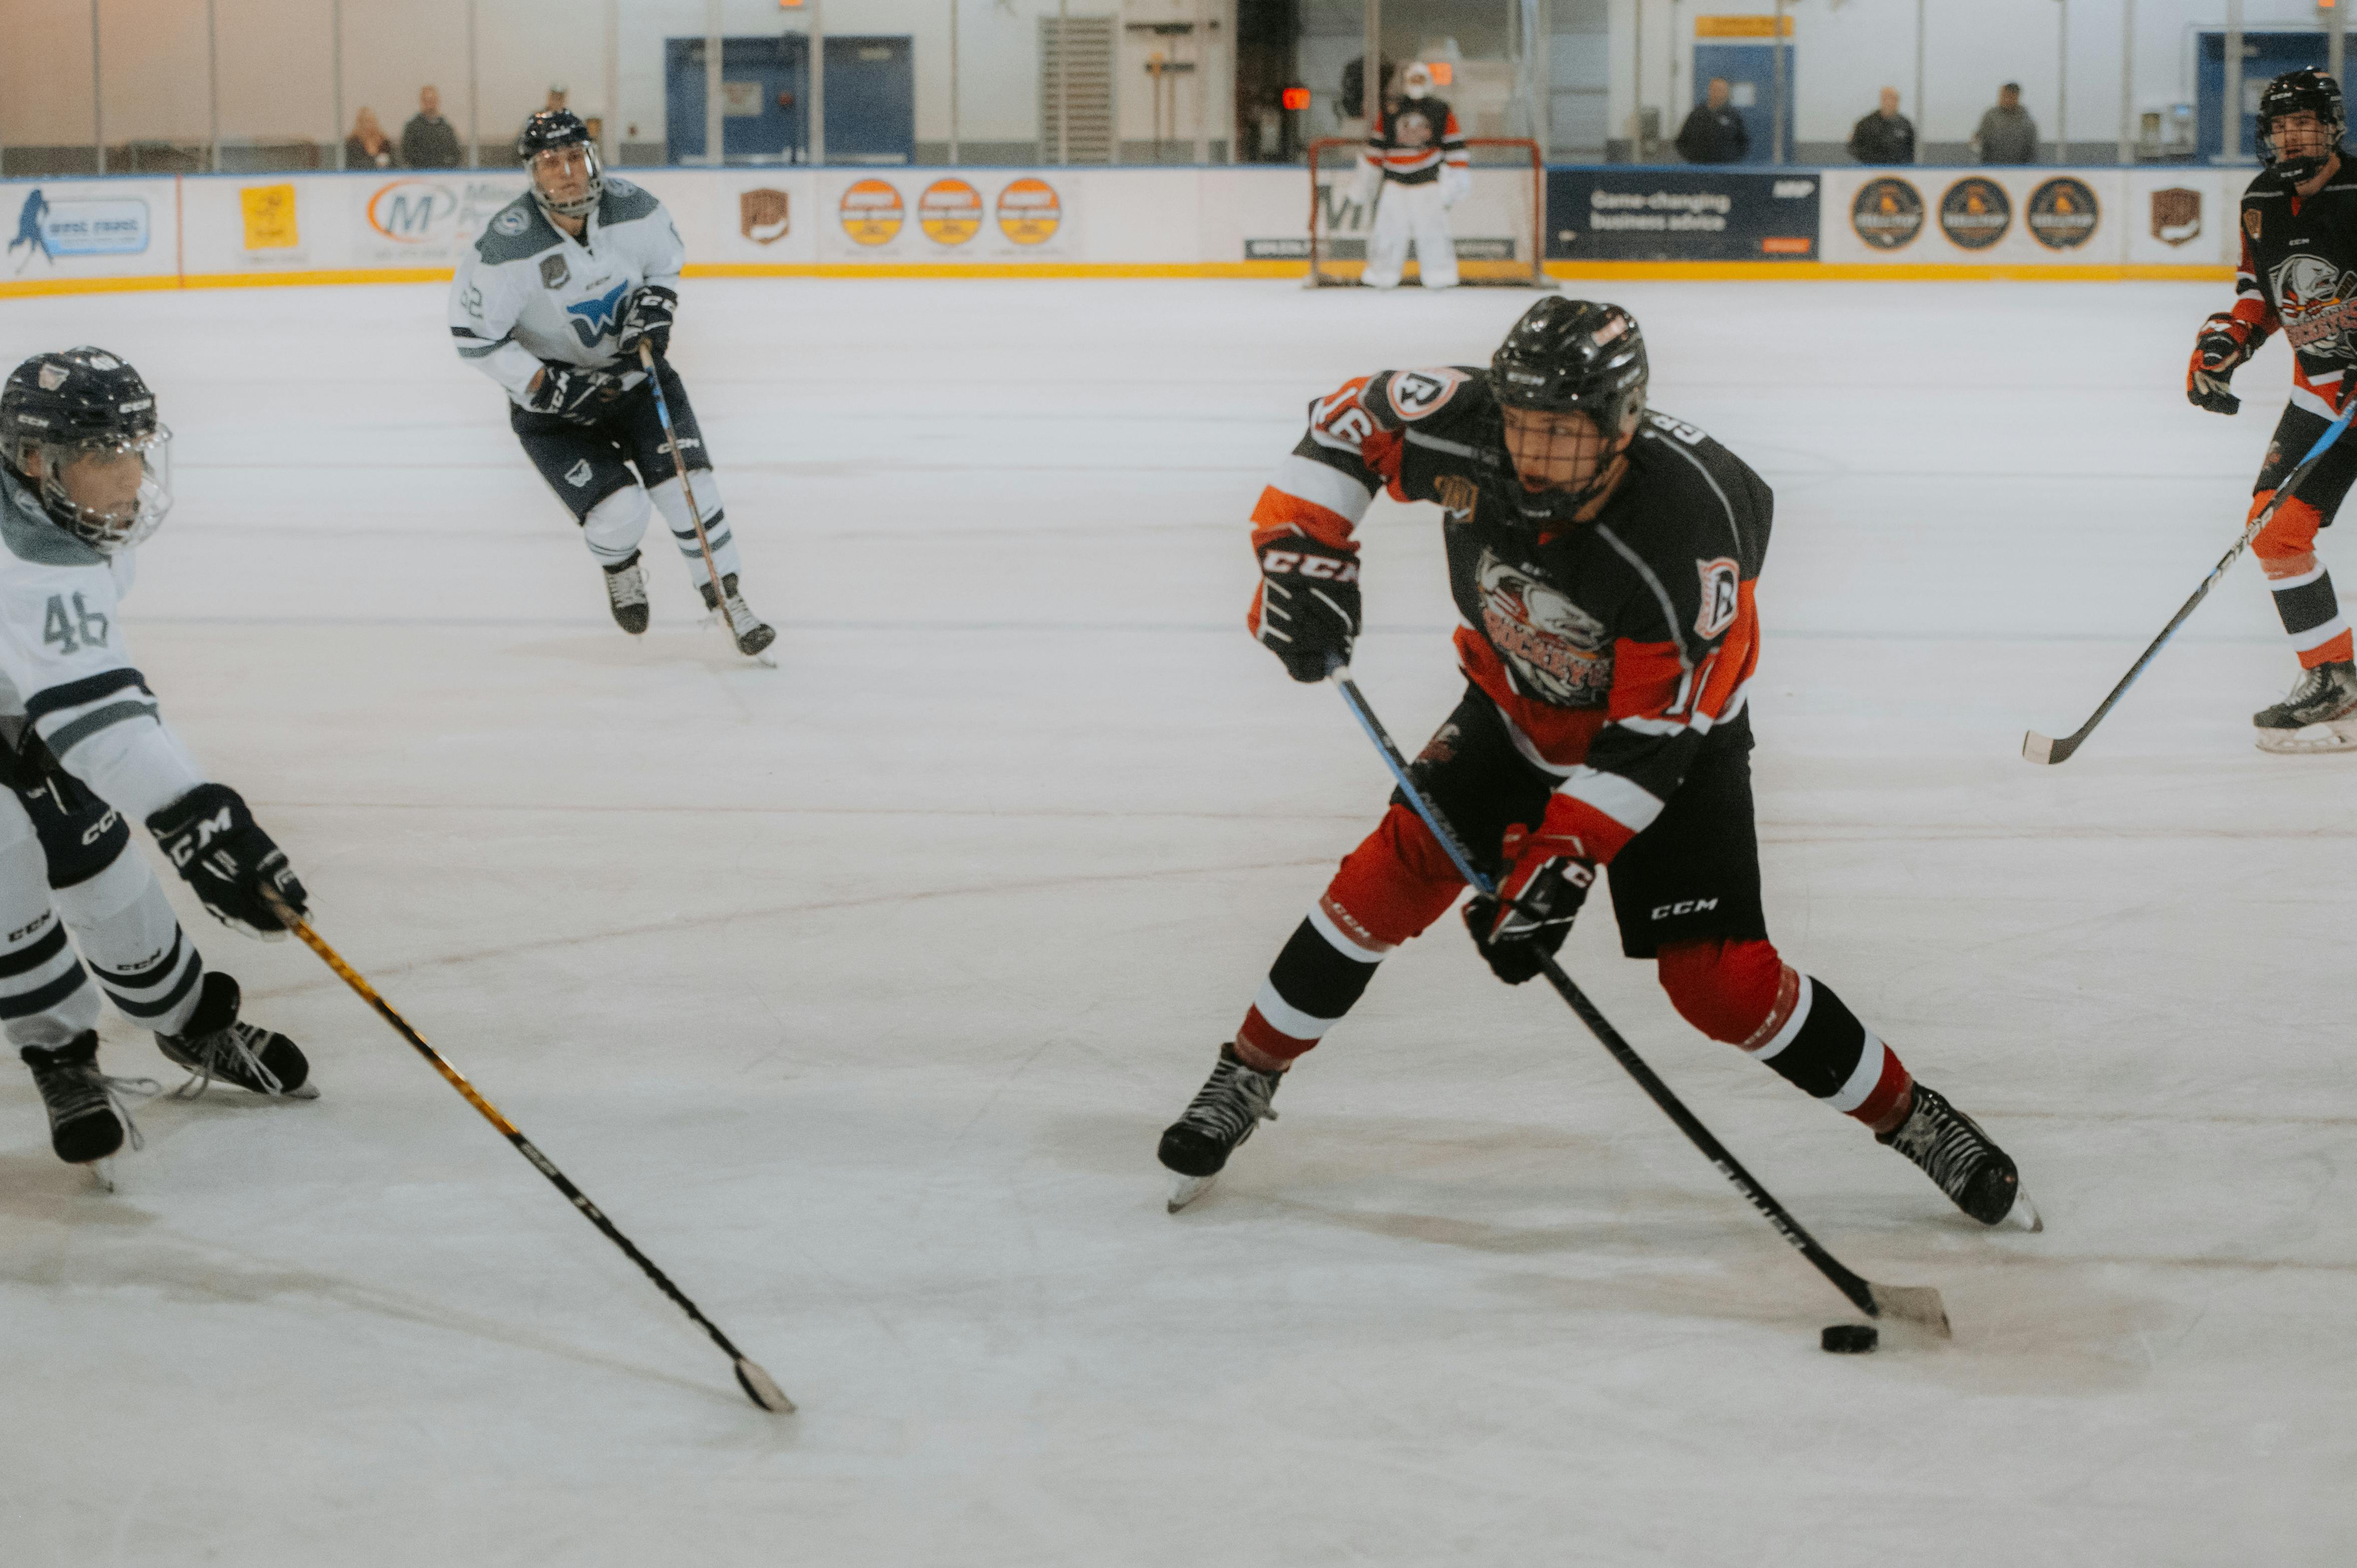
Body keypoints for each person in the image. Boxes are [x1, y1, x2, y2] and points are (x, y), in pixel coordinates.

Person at [1155, 298, 2037, 1234]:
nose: (1536, 459)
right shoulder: (1470, 425)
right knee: (1386, 876)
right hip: (1514, 707)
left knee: (1721, 985)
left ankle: (1912, 1118)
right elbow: (1351, 422)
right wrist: (1298, 551)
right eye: (1523, 427)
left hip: (1673, 748)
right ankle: (1245, 1073)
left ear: (1622, 426)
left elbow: (1650, 740)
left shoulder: (1680, 539)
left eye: (1564, 437)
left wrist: (1559, 859)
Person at [0, 347, 316, 1182]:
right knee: (4, 874)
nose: (134, 474)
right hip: (35, 715)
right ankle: (59, 1054)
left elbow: (77, 688)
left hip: (24, 717)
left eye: (137, 445)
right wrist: (196, 815)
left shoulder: (57, 510)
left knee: (105, 878)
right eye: (108, 452)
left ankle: (185, 1018)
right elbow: (95, 712)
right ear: (38, 460)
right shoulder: (30, 550)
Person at [448, 110, 774, 656]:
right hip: (555, 415)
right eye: (551, 162)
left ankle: (729, 601)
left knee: (687, 488)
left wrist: (656, 304)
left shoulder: (635, 208)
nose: (567, 172)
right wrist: (544, 386)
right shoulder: (503, 250)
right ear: (532, 172)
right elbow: (473, 337)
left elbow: (664, 265)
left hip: (637, 380)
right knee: (621, 511)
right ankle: (619, 565)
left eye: (576, 156)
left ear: (592, 158)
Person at [2187, 69, 2357, 750]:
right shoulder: (2260, 199)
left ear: (2333, 127)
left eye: (2306, 124)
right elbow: (2257, 290)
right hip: (2323, 394)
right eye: (2282, 127)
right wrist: (2231, 339)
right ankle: (2333, 677)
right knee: (2275, 530)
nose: (2292, 138)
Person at [1350, 62, 1469, 290]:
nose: (1417, 85)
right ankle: (1382, 275)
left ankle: (1440, 275)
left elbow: (1455, 148)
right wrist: (1364, 183)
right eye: (1413, 80)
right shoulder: (1391, 110)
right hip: (1395, 183)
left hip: (1428, 184)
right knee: (1387, 233)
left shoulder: (1441, 110)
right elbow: (1376, 148)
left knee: (1434, 233)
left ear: (1429, 82)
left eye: (1421, 80)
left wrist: (1456, 182)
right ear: (1406, 82)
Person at [1675, 78, 1749, 164]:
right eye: (1716, 90)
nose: (1718, 93)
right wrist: (1692, 157)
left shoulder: (1734, 116)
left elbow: (1743, 142)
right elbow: (1681, 141)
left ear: (1727, 93)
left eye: (1722, 90)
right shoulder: (1696, 115)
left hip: (1726, 169)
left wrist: (1732, 158)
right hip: (1699, 168)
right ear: (1710, 91)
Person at [1972, 83, 2038, 165]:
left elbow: (2031, 149)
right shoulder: (1991, 117)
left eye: (2008, 96)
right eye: (2002, 96)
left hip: (2019, 168)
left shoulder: (2025, 120)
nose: (2004, 99)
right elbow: (1981, 140)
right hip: (1991, 166)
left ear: (2016, 97)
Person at [1848, 87, 1915, 165]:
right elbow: (1854, 147)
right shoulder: (1866, 124)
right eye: (1888, 98)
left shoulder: (1905, 124)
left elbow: (1911, 149)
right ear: (1882, 100)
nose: (1891, 103)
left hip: (1898, 170)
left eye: (1895, 99)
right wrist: (1869, 160)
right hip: (1872, 170)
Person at [402, 85, 463, 170]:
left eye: (432, 100)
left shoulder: (446, 128)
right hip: (420, 174)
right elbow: (408, 154)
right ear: (422, 102)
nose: (430, 104)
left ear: (437, 101)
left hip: (444, 175)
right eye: (426, 100)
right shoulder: (413, 128)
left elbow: (455, 153)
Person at [344, 107, 398, 171]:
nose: (368, 125)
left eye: (371, 121)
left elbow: (396, 164)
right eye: (365, 121)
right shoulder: (353, 143)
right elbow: (352, 165)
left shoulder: (384, 142)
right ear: (359, 123)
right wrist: (376, 162)